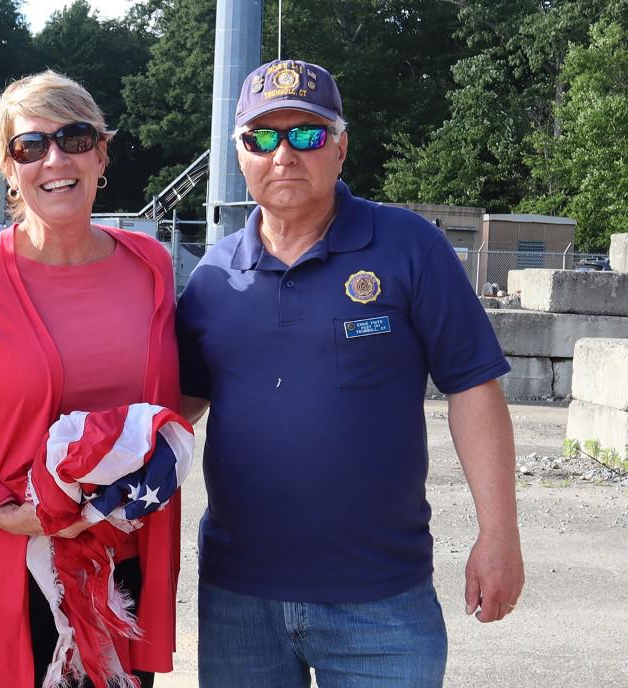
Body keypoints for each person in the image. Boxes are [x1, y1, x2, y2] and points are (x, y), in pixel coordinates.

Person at [176, 59, 525, 686]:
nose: (284, 154)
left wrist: (498, 533)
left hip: (381, 601)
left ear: (341, 146)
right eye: (262, 137)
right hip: (239, 601)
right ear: (240, 154)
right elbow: (178, 405)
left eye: (306, 134)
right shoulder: (211, 278)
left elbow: (472, 387)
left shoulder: (408, 246)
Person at [0, 70, 183, 688]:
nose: (55, 159)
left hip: (120, 569)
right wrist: (6, 512)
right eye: (30, 146)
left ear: (101, 152)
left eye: (75, 137)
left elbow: (167, 407)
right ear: (9, 170)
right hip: (4, 568)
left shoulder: (150, 266)